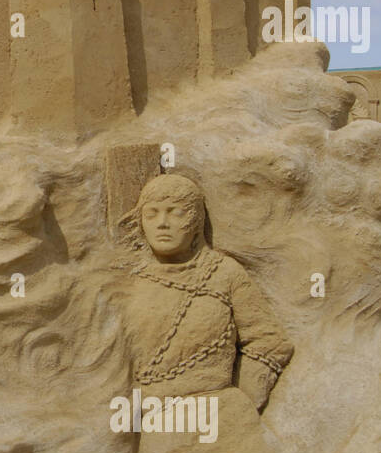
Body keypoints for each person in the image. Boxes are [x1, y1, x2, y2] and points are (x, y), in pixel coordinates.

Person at [118, 174, 293, 412]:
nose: (162, 223)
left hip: (216, 414)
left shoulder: (223, 273)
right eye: (152, 214)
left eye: (176, 212)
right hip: (143, 413)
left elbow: (270, 342)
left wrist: (242, 401)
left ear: (197, 219)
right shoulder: (129, 280)